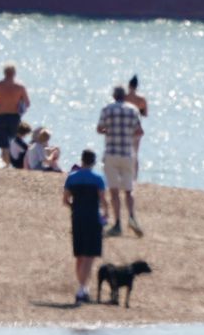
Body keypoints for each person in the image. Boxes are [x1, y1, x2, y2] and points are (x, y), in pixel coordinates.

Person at [97, 85, 144, 236]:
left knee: (114, 191)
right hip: (127, 153)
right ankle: (131, 217)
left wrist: (110, 131)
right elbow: (139, 131)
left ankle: (117, 224)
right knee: (129, 190)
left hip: (111, 152)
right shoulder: (133, 110)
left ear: (113, 96)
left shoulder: (107, 109)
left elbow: (99, 129)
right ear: (124, 96)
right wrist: (127, 133)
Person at [62, 150, 107, 304]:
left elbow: (65, 200)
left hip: (77, 217)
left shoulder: (72, 178)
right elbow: (103, 200)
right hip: (93, 218)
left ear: (81, 160)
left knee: (80, 255)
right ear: (93, 162)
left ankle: (84, 287)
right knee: (90, 255)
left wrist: (74, 208)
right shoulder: (98, 179)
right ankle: (82, 289)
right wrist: (106, 214)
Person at [0, 64, 29, 164]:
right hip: (15, 117)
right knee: (13, 143)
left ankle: (5, 164)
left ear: (4, 72)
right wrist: (20, 108)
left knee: (4, 145)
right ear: (14, 73)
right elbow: (27, 103)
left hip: (1, 117)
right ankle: (9, 164)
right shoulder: (20, 87)